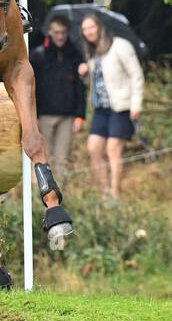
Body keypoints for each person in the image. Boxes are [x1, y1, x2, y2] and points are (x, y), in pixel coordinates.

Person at [78, 14, 144, 200]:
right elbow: (99, 78)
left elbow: (136, 75)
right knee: (94, 148)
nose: (89, 32)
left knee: (113, 149)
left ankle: (115, 193)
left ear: (99, 27)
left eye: (91, 27)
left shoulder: (120, 45)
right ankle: (104, 191)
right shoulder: (92, 52)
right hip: (101, 108)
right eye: (85, 29)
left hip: (121, 106)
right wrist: (85, 71)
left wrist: (136, 105)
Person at [29, 16, 86, 182]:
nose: (60, 36)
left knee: (62, 158)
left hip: (68, 116)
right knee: (42, 156)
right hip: (44, 115)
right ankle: (39, 192)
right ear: (50, 32)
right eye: (56, 32)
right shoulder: (39, 55)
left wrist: (80, 115)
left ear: (67, 33)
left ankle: (60, 195)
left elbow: (80, 88)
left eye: (63, 32)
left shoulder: (75, 54)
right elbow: (32, 89)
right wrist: (34, 116)